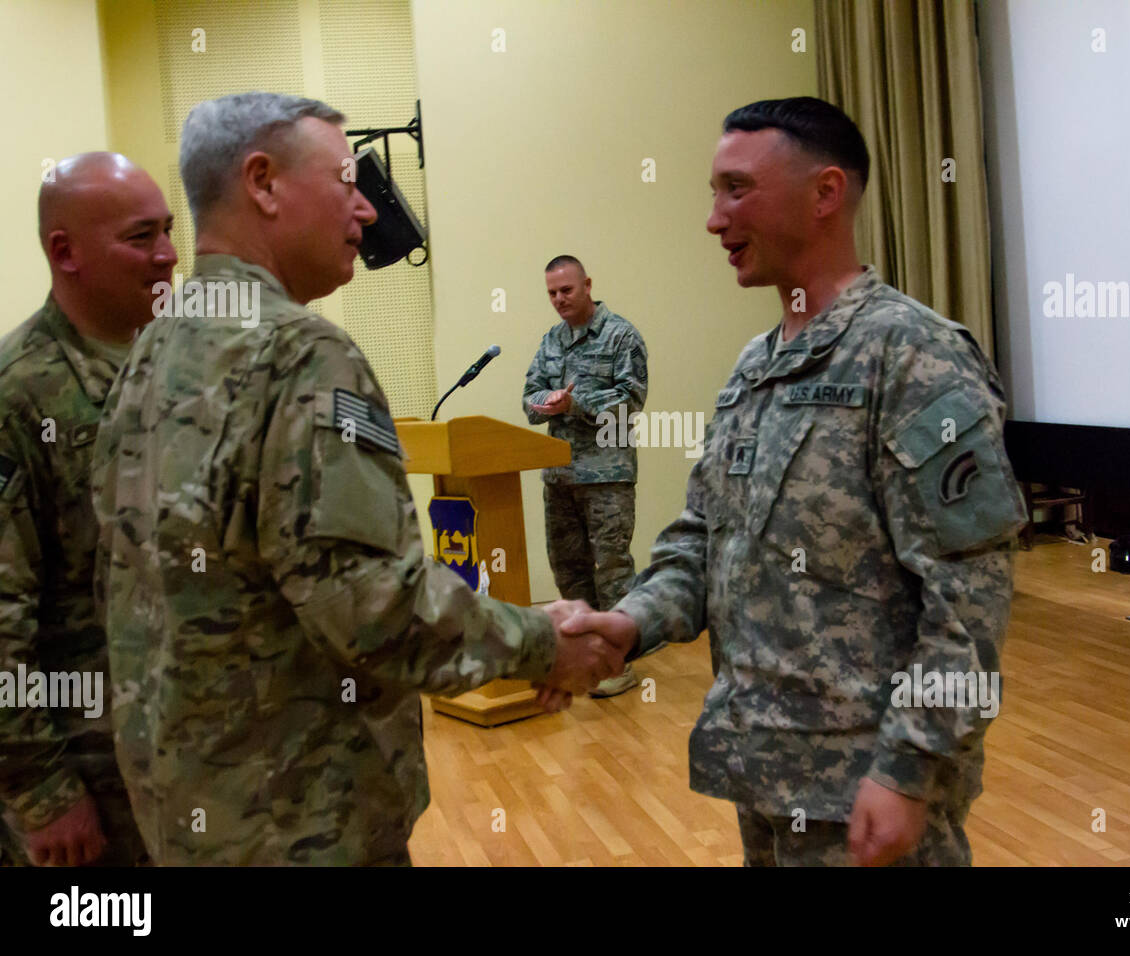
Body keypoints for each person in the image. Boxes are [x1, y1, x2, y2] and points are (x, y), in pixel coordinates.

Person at [91, 92, 630, 865]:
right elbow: (373, 606)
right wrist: (542, 643)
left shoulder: (147, 355)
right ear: (264, 183)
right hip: (302, 818)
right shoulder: (302, 356)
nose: (368, 212)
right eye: (348, 181)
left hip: (186, 805)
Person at [560, 97, 1027, 866]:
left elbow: (971, 603)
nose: (714, 219)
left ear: (825, 194)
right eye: (714, 193)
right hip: (765, 777)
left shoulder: (912, 357)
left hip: (869, 797)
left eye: (736, 189)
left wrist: (909, 771)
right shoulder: (755, 368)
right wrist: (632, 621)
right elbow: (702, 541)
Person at [0, 152, 176, 866]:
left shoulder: (177, 365)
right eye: (141, 237)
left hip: (182, 758)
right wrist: (41, 790)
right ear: (64, 252)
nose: (167, 255)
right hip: (86, 779)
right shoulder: (21, 393)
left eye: (169, 231)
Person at [523, 256, 648, 698]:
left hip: (606, 476)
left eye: (567, 291)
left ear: (587, 285)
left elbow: (630, 400)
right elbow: (529, 396)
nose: (559, 300)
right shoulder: (551, 340)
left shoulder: (621, 335)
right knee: (569, 571)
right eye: (552, 293)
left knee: (611, 570)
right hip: (559, 476)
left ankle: (621, 663)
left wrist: (577, 404)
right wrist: (548, 400)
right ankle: (584, 660)